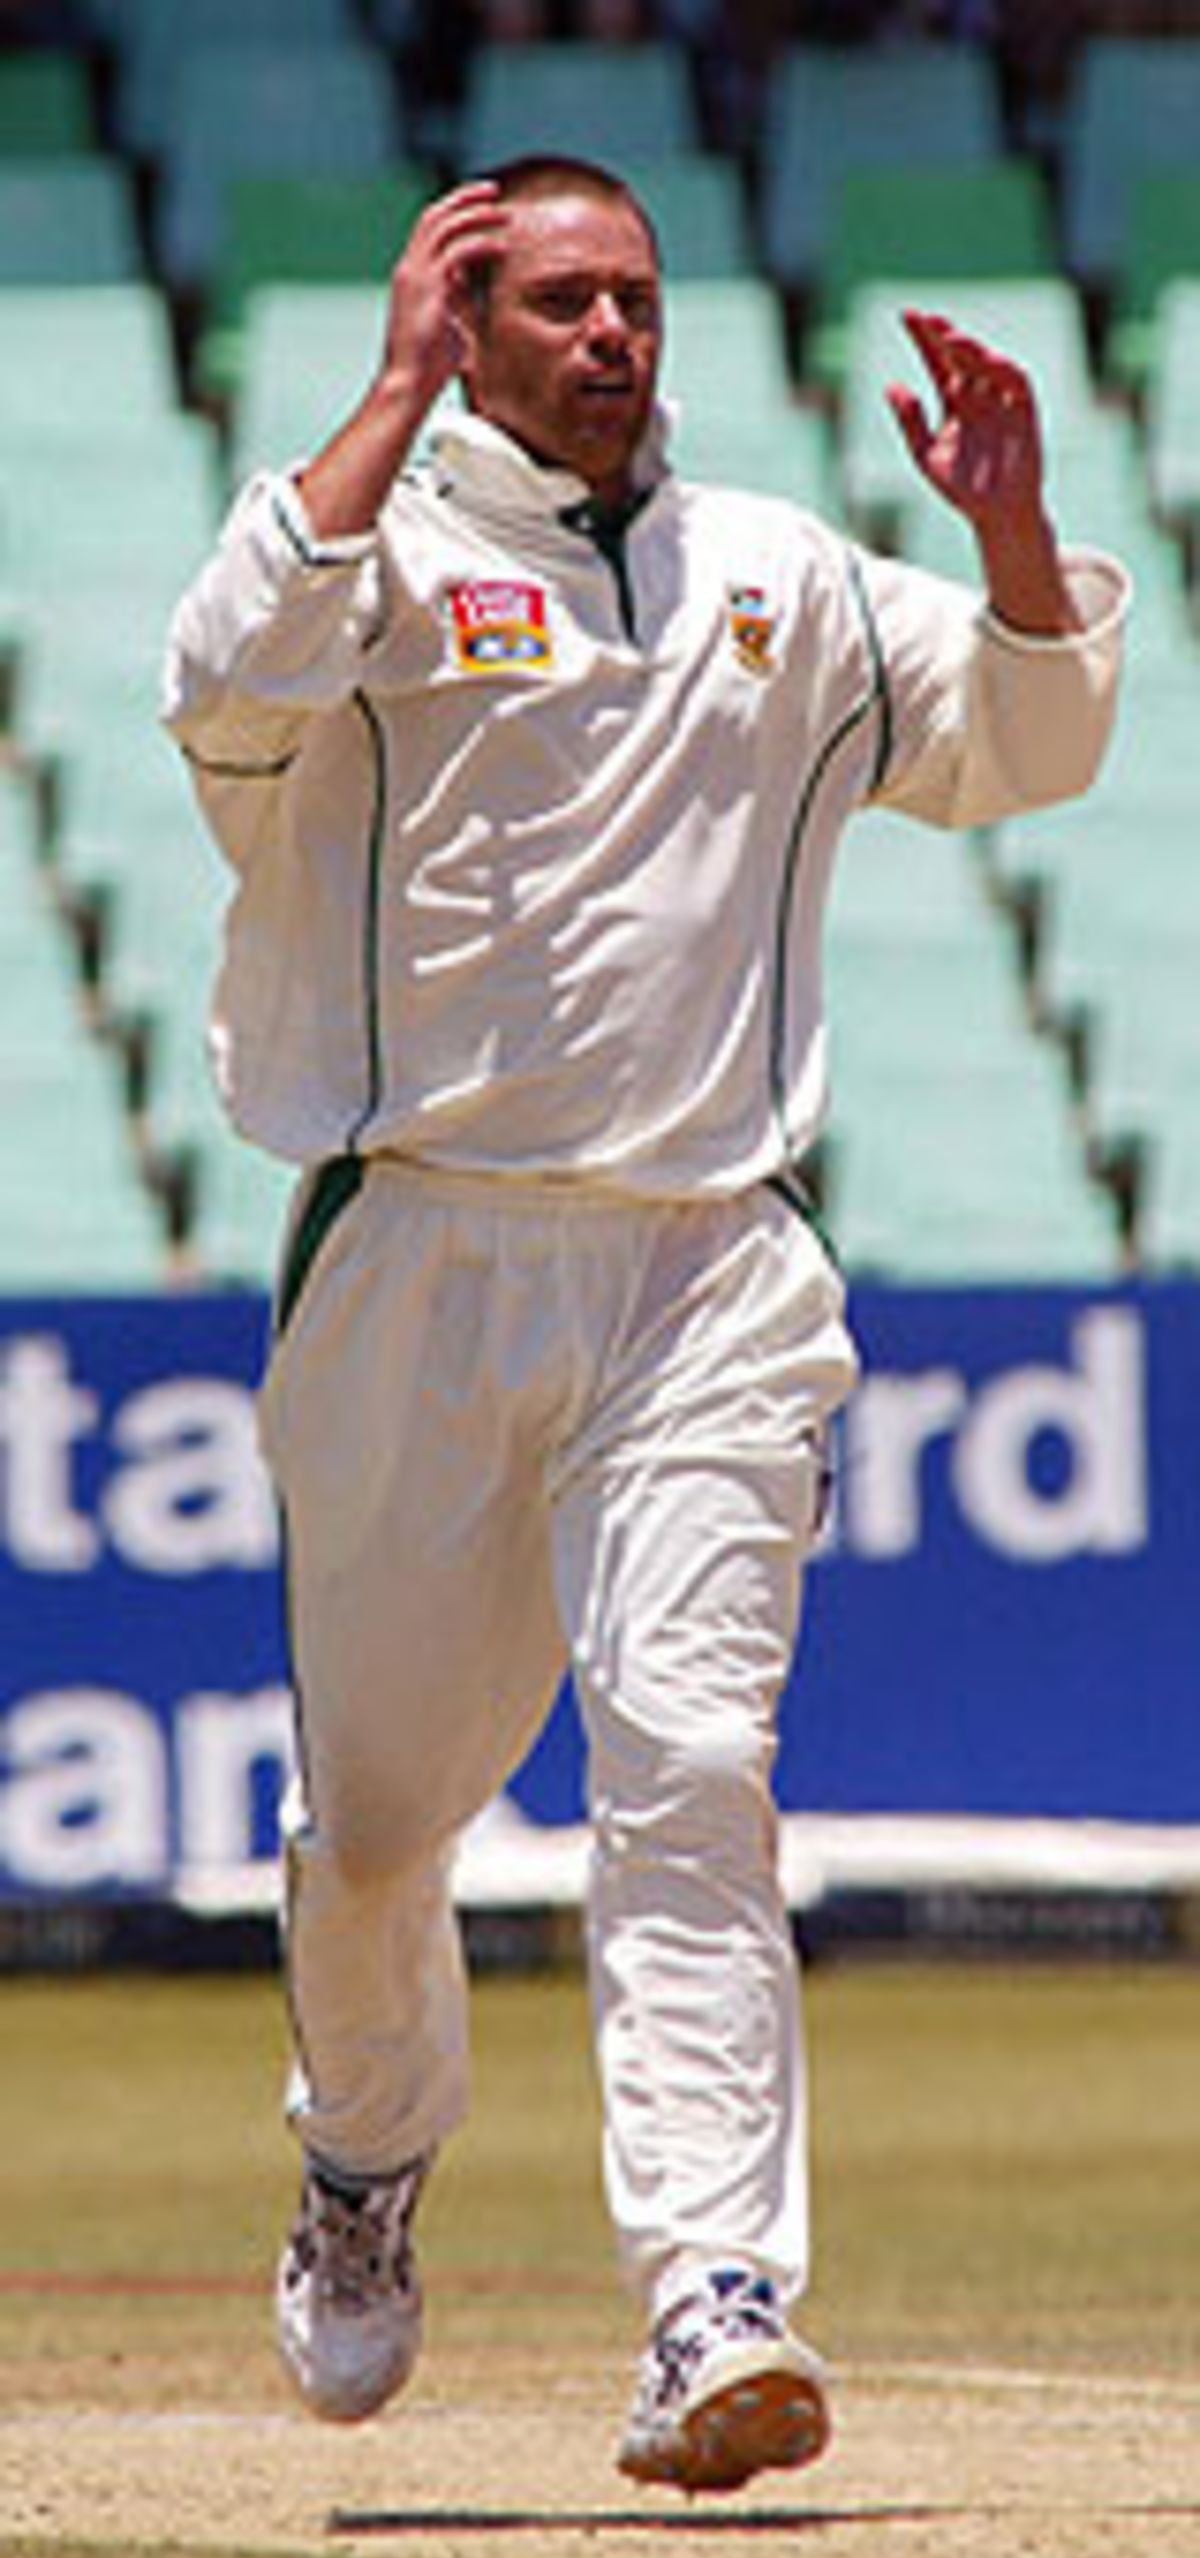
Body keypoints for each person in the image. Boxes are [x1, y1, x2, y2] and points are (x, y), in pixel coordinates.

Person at [162, 156, 1127, 2495]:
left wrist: (1007, 532)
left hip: (709, 1262)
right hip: (423, 1258)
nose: (613, 336)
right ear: (468, 323)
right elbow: (217, 693)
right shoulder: (365, 565)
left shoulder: (776, 575)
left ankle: (715, 2297)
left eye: (638, 299)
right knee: (382, 1825)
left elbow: (1030, 746)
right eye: (559, 302)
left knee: (691, 1771)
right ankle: (365, 2158)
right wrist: (380, 395)